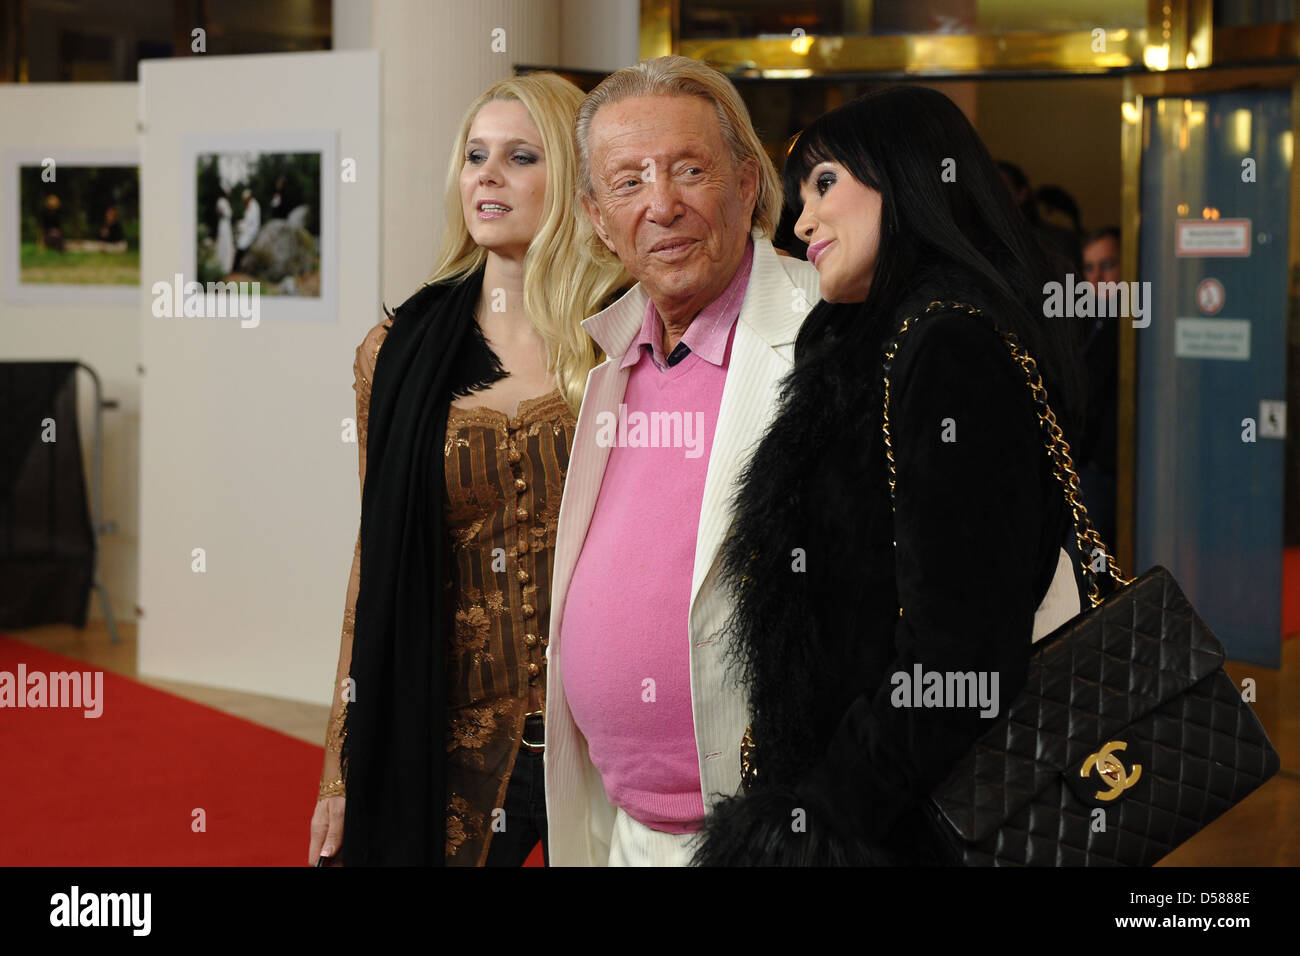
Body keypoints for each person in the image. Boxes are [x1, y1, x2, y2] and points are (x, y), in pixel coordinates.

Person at [692, 85, 1089, 865]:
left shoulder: (947, 345)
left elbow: (961, 651)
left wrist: (828, 813)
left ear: (910, 181)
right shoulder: (867, 344)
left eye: (826, 183)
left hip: (909, 822)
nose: (801, 221)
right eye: (799, 193)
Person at [308, 71, 626, 867]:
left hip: (609, 732)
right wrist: (340, 769)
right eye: (474, 155)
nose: (487, 174)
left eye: (521, 156)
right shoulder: (396, 355)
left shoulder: (628, 338)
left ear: (576, 182)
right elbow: (371, 562)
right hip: (448, 729)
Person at [543, 55, 820, 867]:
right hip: (625, 826)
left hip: (779, 836)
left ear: (747, 183)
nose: (661, 204)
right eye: (628, 183)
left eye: (689, 170)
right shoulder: (610, 358)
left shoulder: (832, 333)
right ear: (598, 219)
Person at [1076, 225, 1121, 547]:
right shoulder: (1084, 318)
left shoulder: (1137, 321)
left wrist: (1098, 459)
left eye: (1107, 265)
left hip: (1106, 469)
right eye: (1089, 268)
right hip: (1078, 464)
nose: (1096, 279)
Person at [234, 189, 260, 270]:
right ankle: (236, 266)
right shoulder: (251, 205)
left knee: (241, 244)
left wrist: (241, 225)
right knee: (239, 243)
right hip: (248, 229)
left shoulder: (253, 206)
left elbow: (250, 221)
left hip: (251, 230)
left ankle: (236, 267)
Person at [215, 192, 235, 275]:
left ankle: (227, 267)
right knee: (223, 243)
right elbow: (220, 212)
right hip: (223, 225)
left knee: (228, 244)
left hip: (227, 225)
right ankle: (222, 266)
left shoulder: (226, 202)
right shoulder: (221, 201)